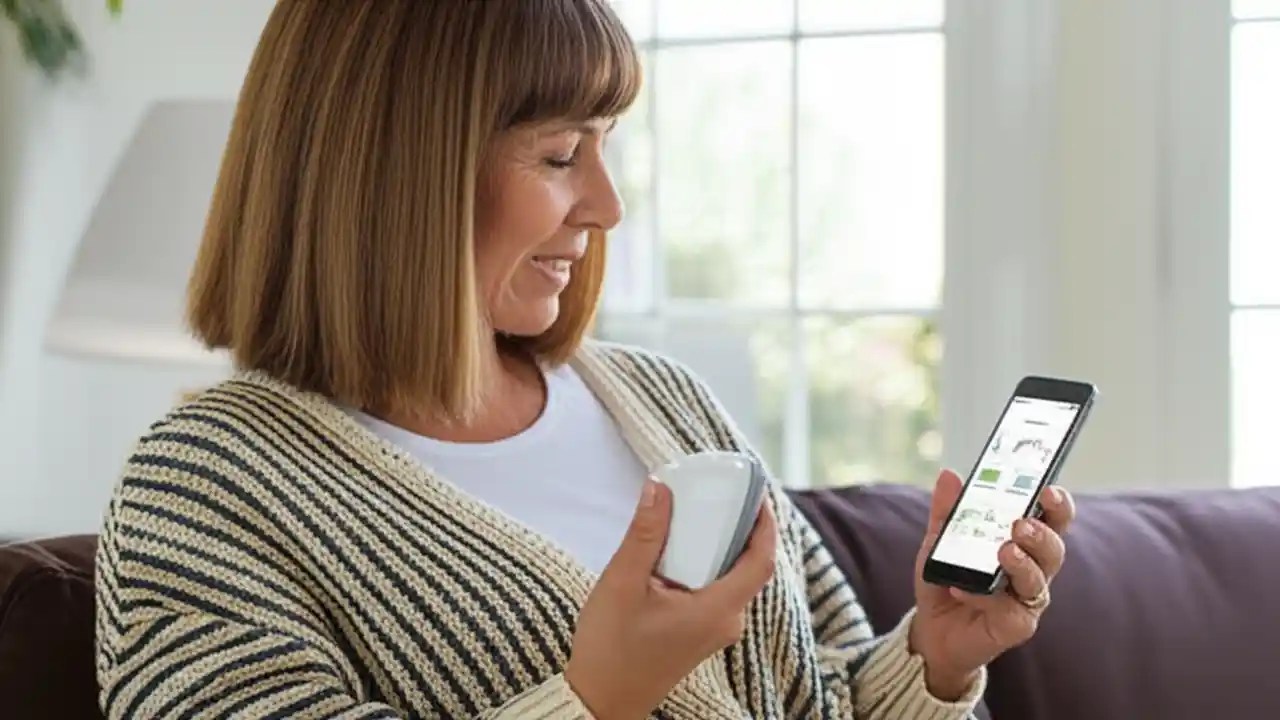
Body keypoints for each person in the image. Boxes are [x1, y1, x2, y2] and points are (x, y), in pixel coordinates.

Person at [94, 1, 1075, 718]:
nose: (606, 205)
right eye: (562, 154)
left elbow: (826, 698)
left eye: (605, 147)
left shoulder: (663, 402)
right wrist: (597, 695)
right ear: (396, 179)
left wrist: (933, 663)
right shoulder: (207, 487)